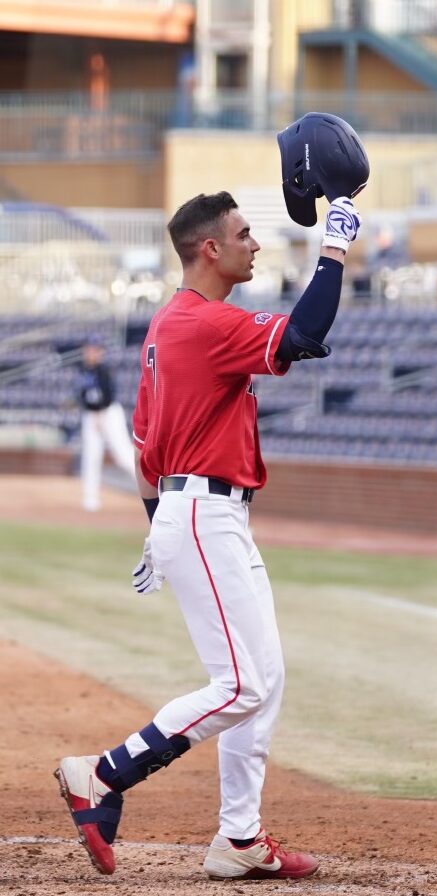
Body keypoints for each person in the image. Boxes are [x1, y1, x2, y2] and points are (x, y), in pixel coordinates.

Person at [53, 189, 362, 881]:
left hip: (195, 511)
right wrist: (335, 246)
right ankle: (102, 775)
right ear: (210, 249)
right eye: (245, 233)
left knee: (266, 678)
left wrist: (157, 526)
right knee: (242, 684)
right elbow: (303, 336)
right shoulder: (202, 322)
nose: (256, 243)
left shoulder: (170, 323)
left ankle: (239, 839)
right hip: (202, 514)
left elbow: (142, 451)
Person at [75, 336, 136, 511]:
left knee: (123, 454)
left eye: (94, 349)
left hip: (108, 414)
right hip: (91, 415)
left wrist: (100, 416)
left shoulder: (104, 370)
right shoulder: (83, 369)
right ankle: (90, 498)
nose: (90, 353)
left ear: (100, 352)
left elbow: (109, 396)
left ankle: (148, 489)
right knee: (91, 456)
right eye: (88, 349)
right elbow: (83, 396)